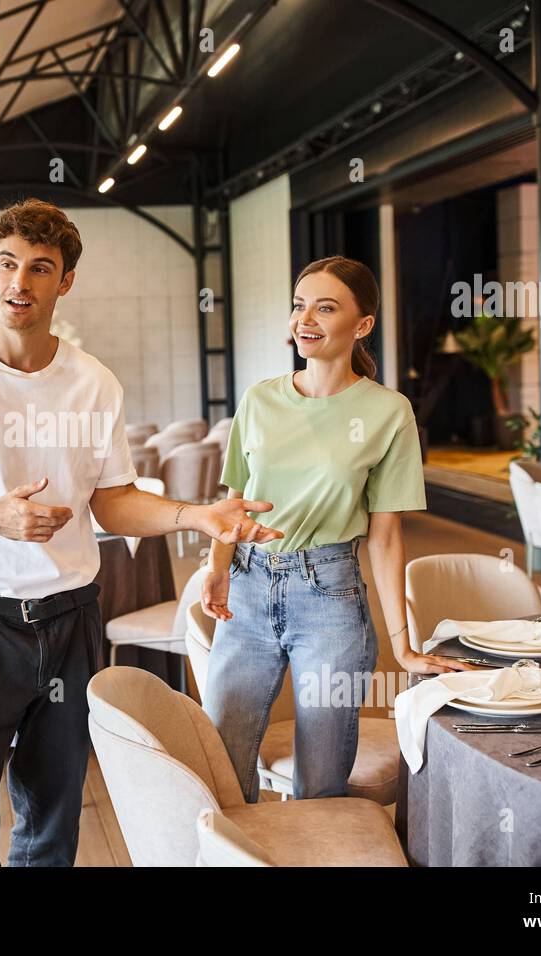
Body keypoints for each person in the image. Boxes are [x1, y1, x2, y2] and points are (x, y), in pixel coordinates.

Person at [0, 198, 278, 866]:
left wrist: (196, 516)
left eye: (40, 268)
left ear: (64, 282)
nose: (19, 282)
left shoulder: (92, 383)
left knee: (53, 825)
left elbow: (114, 503)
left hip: (71, 623)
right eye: (8, 264)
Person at [199, 255, 475, 804]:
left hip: (329, 597)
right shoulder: (259, 400)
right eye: (300, 306)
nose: (307, 319)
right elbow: (233, 502)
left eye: (326, 308)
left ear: (363, 324)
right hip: (248, 592)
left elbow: (386, 535)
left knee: (321, 781)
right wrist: (216, 568)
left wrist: (403, 643)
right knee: (221, 767)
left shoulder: (388, 413)